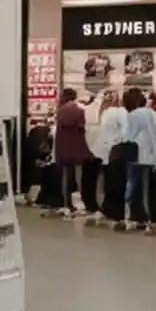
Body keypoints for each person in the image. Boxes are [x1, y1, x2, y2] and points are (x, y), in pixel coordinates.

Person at [123, 88, 156, 234]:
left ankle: (139, 217)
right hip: (154, 154)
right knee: (153, 186)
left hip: (138, 154)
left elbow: (130, 135)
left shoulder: (133, 115)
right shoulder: (153, 113)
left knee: (136, 186)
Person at [52, 88, 94, 217]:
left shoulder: (60, 111)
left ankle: (67, 204)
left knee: (66, 176)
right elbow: (82, 131)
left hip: (63, 149)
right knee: (79, 176)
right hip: (77, 148)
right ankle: (82, 203)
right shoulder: (79, 111)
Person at [97, 92, 131, 225]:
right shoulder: (122, 112)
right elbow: (125, 131)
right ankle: (118, 213)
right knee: (119, 183)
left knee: (108, 183)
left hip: (106, 152)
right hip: (118, 150)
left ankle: (108, 210)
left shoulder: (105, 113)